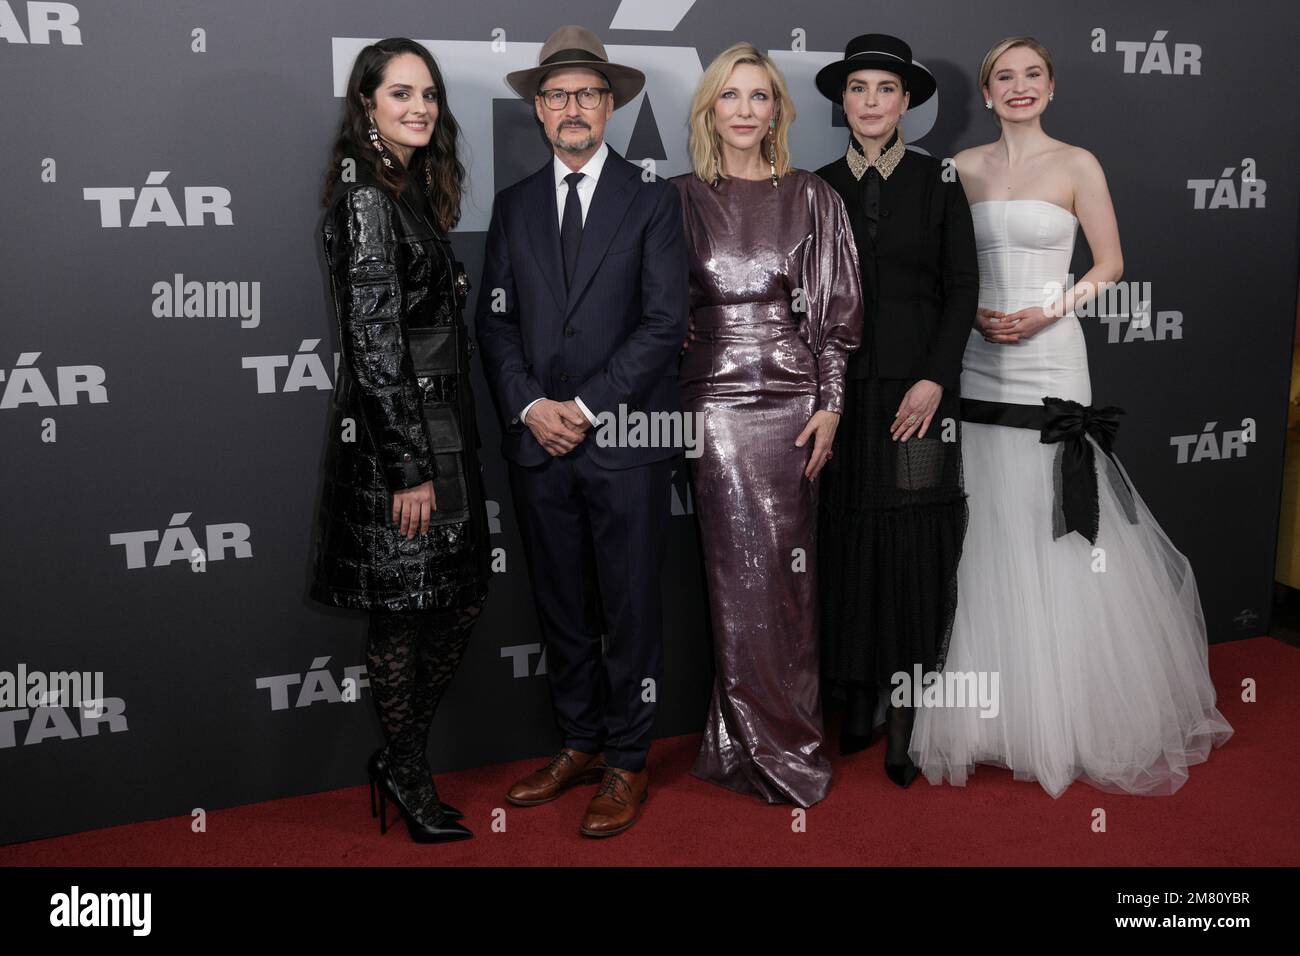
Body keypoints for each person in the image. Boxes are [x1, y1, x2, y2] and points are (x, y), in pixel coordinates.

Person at [908, 37, 1233, 797]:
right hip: (978, 354)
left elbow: (1110, 263)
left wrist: (1046, 312)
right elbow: (946, 267)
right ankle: (994, 712)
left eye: (1032, 76)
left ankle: (1074, 709)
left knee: (1060, 515)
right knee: (983, 514)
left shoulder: (1079, 163)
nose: (1018, 88)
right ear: (986, 94)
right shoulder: (959, 170)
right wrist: (972, 321)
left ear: (1050, 88)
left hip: (1051, 355)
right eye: (1003, 79)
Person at [476, 26, 689, 837]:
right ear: (538, 108)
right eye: (558, 94)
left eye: (588, 94)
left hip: (624, 438)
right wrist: (533, 407)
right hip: (538, 443)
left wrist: (588, 407)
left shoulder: (652, 198)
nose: (574, 108)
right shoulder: (513, 205)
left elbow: (665, 323)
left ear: (612, 105)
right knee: (562, 603)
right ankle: (578, 742)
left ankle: (627, 761)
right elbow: (494, 325)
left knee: (630, 607)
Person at [672, 43, 863, 807]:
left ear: (777, 111)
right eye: (731, 96)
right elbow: (655, 306)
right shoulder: (677, 199)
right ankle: (742, 738)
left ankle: (790, 738)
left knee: (791, 576)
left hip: (794, 402)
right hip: (713, 404)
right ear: (709, 110)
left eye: (760, 96)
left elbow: (837, 315)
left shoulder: (813, 196)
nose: (746, 110)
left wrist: (831, 404)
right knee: (733, 577)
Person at [311, 38, 490, 842]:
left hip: (445, 431)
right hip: (403, 444)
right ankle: (409, 771)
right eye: (400, 94)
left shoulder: (408, 191)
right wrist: (409, 470)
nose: (420, 107)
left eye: (429, 94)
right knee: (405, 615)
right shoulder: (366, 201)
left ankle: (400, 759)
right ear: (367, 106)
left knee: (454, 603)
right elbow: (376, 346)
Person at [813, 34, 978, 787]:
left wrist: (935, 381)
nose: (872, 101)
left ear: (906, 101)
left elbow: (963, 289)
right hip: (843, 403)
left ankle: (904, 716)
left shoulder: (938, 179)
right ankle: (854, 695)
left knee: (912, 550)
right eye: (859, 89)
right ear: (841, 102)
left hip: (918, 402)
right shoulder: (815, 187)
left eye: (885, 88)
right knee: (846, 540)